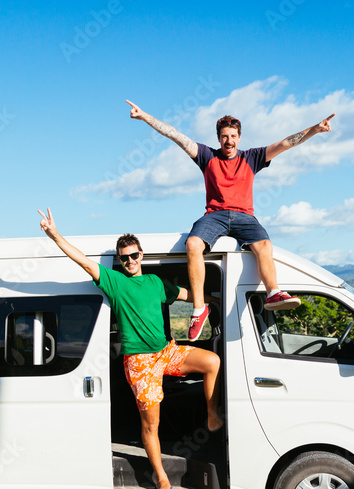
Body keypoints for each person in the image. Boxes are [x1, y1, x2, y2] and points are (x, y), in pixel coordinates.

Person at [38, 208, 222, 489]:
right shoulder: (115, 282)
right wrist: (55, 235)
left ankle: (213, 417)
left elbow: (189, 295)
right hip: (139, 363)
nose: (130, 261)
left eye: (134, 255)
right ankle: (160, 475)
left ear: (142, 255)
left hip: (166, 351)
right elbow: (83, 261)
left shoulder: (156, 283)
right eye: (124, 258)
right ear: (120, 261)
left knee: (212, 362)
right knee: (151, 424)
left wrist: (216, 299)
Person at [126, 99, 335, 340]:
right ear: (219, 138)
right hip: (215, 216)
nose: (229, 141)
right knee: (193, 244)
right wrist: (145, 116)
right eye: (225, 136)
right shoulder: (206, 156)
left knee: (265, 245)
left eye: (233, 136)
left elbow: (286, 143)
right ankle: (198, 308)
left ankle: (274, 293)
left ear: (239, 137)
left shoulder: (253, 157)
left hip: (245, 217)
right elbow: (176, 136)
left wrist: (315, 130)